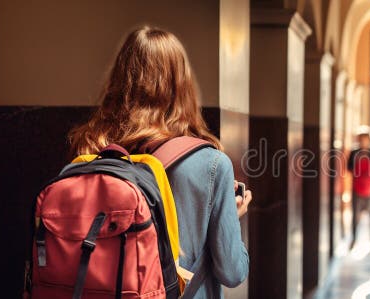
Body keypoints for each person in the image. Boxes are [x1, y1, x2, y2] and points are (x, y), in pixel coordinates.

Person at [68, 26, 250, 298]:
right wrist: (229, 221)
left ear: (119, 81)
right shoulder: (211, 164)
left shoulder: (91, 149)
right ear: (183, 86)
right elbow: (232, 272)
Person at [347, 131, 370, 249]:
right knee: (355, 215)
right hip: (357, 187)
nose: (364, 142)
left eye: (366, 139)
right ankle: (354, 238)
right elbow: (349, 168)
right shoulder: (354, 152)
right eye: (362, 139)